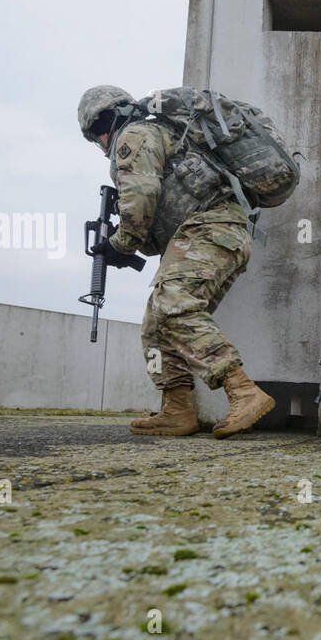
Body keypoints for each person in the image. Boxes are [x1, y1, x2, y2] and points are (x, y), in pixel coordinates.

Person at [76, 85, 274, 439]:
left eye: (96, 137)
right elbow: (156, 225)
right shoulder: (158, 134)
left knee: (173, 305)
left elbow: (141, 198)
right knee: (156, 321)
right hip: (206, 232)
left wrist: (120, 244)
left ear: (101, 127)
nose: (101, 145)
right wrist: (125, 249)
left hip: (213, 226)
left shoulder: (133, 136)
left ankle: (243, 391)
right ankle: (177, 409)